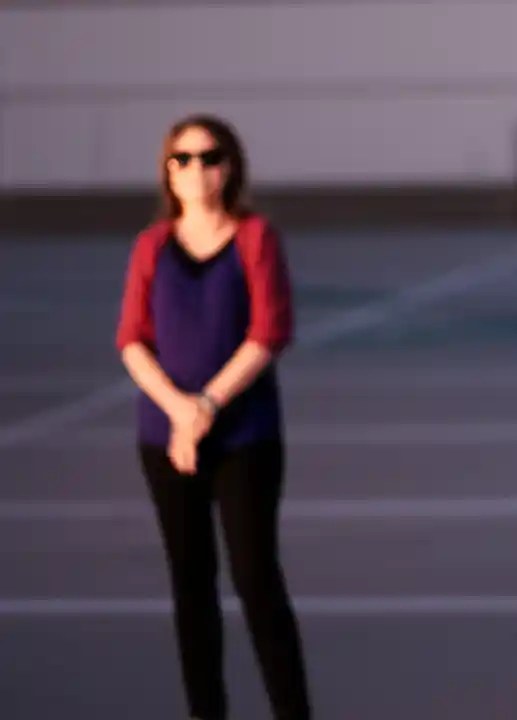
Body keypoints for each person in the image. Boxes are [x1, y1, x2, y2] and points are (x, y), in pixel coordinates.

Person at [116, 114, 312, 720]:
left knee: (256, 580)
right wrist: (179, 411)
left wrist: (207, 405)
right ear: (167, 172)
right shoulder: (151, 246)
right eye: (184, 159)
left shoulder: (256, 238)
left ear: (230, 167)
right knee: (191, 584)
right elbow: (131, 340)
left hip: (244, 437)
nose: (197, 170)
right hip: (167, 441)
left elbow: (268, 331)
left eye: (210, 157)